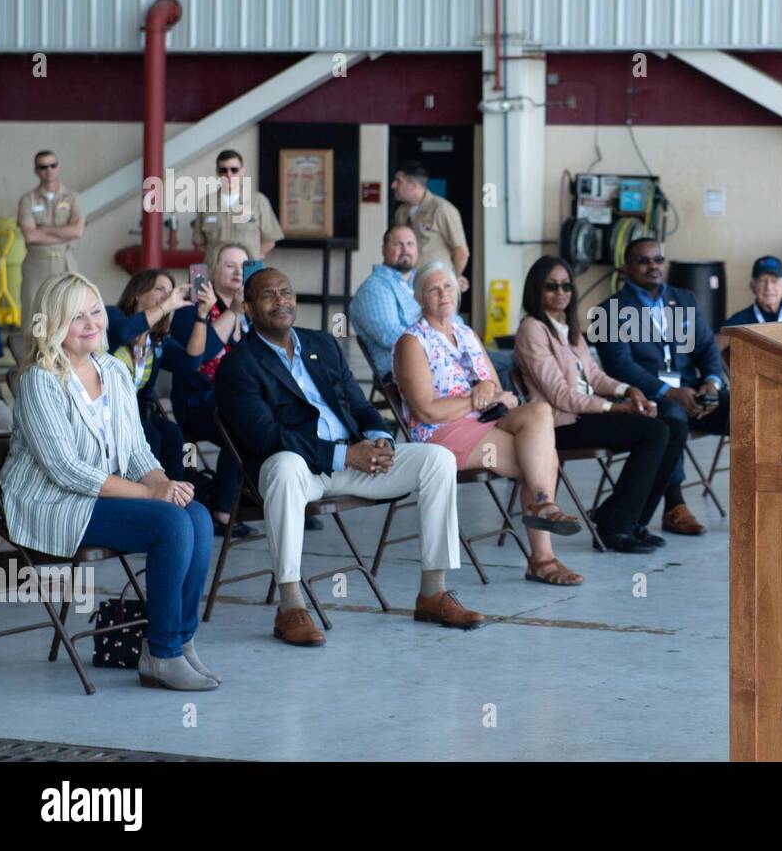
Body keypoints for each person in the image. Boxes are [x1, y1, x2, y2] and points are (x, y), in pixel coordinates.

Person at [215, 267, 487, 643]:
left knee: (436, 459)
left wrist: (380, 442)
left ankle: (433, 592)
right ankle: (291, 606)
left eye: (286, 291)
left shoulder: (322, 344)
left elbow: (361, 407)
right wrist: (345, 457)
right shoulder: (239, 365)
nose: (280, 300)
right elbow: (267, 438)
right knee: (284, 465)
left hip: (356, 461)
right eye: (268, 295)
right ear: (247, 307)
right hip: (301, 474)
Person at [0, 273, 218, 691]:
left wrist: (163, 483)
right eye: (75, 316)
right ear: (54, 325)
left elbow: (135, 451)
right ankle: (162, 653)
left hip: (99, 494)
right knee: (169, 524)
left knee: (198, 515)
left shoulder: (114, 373)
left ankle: (180, 641)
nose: (91, 323)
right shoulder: (39, 381)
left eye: (96, 311)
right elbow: (66, 470)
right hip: (53, 502)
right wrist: (150, 494)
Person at [395, 261, 585, 585]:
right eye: (434, 288)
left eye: (449, 286)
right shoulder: (412, 342)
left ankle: (543, 509)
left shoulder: (466, 333)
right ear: (419, 298)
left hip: (485, 422)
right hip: (443, 434)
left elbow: (497, 390)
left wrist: (488, 392)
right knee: (539, 457)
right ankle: (543, 552)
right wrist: (476, 398)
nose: (444, 294)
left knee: (539, 412)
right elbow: (426, 411)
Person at [514, 257, 681, 553]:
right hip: (561, 424)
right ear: (535, 290)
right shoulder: (533, 329)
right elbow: (560, 397)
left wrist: (629, 390)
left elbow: (594, 375)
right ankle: (614, 525)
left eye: (566, 285)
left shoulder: (569, 327)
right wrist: (617, 408)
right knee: (653, 432)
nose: (560, 292)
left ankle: (630, 522)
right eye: (551, 286)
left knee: (672, 428)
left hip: (586, 415)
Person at [595, 238, 729, 536]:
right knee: (672, 416)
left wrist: (711, 382)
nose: (653, 266)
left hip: (693, 392)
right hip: (646, 399)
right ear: (627, 268)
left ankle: (763, 491)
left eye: (658, 259)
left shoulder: (684, 299)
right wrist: (668, 392)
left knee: (744, 410)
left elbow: (707, 347)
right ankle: (674, 506)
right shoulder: (610, 310)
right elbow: (619, 365)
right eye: (643, 261)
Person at [168, 244, 251, 535]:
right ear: (212, 269)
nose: (238, 271)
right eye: (229, 265)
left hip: (236, 398)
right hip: (198, 401)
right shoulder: (190, 309)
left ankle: (277, 498)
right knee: (243, 421)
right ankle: (223, 509)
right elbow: (204, 354)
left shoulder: (248, 311)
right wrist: (235, 312)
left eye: (244, 265)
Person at [107, 269, 215, 480]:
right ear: (138, 293)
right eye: (159, 289)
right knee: (151, 435)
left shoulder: (157, 340)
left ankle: (176, 498)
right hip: (105, 414)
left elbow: (190, 362)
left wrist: (201, 316)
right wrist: (167, 305)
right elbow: (121, 333)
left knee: (172, 433)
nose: (167, 296)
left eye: (170, 291)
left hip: (135, 416)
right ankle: (148, 495)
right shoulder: (113, 316)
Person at [348, 225, 423, 380]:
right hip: (403, 370)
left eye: (410, 244)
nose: (405, 250)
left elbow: (451, 320)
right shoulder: (375, 288)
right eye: (398, 244)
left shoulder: (422, 282)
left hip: (434, 361)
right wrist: (438, 343)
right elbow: (390, 335)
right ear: (384, 249)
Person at [17, 150, 84, 323]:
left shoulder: (72, 197)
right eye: (43, 167)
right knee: (34, 315)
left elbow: (77, 231)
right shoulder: (28, 200)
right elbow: (30, 236)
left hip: (65, 262)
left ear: (59, 167)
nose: (49, 170)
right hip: (37, 264)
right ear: (36, 171)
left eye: (53, 165)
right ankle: (33, 351)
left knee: (70, 312)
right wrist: (64, 233)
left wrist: (44, 228)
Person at [193, 149, 284, 265]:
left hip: (248, 274)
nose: (229, 174)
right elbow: (200, 241)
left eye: (234, 170)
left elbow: (270, 240)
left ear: (242, 171)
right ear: (217, 172)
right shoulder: (205, 203)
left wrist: (253, 259)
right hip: (215, 274)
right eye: (223, 170)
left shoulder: (258, 201)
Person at [391, 163, 469, 293]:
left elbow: (461, 252)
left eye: (398, 181)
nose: (393, 185)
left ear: (413, 186)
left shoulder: (442, 209)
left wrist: (453, 278)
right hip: (407, 285)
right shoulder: (401, 212)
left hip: (436, 289)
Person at [721, 255, 782, 328]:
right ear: (753, 287)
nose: (768, 287)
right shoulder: (738, 323)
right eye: (762, 281)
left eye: (774, 281)